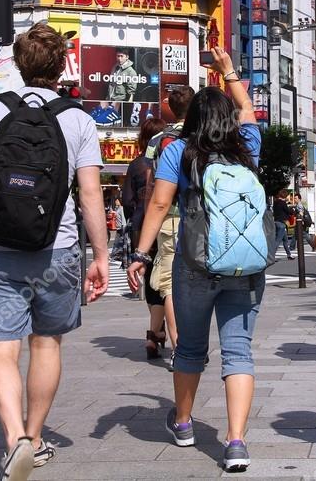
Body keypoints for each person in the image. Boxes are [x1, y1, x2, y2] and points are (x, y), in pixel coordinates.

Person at [0, 21, 110, 481]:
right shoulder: (78, 119)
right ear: (62, 65)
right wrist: (100, 255)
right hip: (58, 250)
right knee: (46, 344)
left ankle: (14, 439)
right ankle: (37, 437)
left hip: (1, 248)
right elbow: (89, 194)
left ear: (19, 66)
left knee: (1, 348)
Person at [126, 48, 263, 473]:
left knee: (189, 347)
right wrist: (229, 72)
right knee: (238, 351)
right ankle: (236, 441)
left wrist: (140, 253)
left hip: (195, 263)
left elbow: (159, 204)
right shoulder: (248, 147)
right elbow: (246, 108)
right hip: (245, 264)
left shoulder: (178, 151)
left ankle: (183, 423)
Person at [140, 84, 196, 370]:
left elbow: (152, 185)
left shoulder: (160, 140)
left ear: (171, 109)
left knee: (170, 285)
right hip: (203, 218)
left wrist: (147, 225)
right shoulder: (204, 136)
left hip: (171, 218)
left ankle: (180, 348)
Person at [122, 116, 168, 359]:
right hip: (166, 225)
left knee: (151, 278)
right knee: (168, 282)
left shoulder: (137, 165)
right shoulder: (170, 159)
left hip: (142, 228)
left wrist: (136, 214)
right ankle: (157, 332)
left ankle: (155, 332)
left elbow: (127, 200)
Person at [271, 189, 295, 260]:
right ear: (284, 195)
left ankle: (289, 255)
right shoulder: (283, 203)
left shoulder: (275, 203)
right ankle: (272, 256)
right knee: (277, 241)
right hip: (282, 223)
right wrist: (292, 210)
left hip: (276, 222)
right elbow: (287, 211)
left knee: (285, 240)